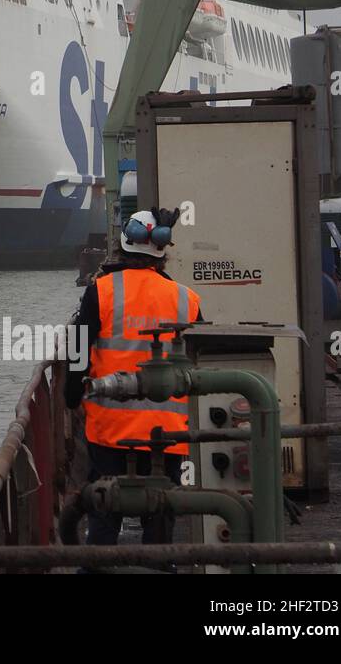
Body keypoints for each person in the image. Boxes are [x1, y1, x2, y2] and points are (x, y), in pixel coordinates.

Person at [65, 207, 202, 545]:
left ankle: (99, 569)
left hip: (111, 430)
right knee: (159, 519)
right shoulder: (188, 299)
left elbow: (79, 350)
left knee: (104, 513)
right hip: (168, 433)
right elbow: (199, 365)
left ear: (123, 246)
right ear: (163, 252)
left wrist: (71, 395)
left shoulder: (102, 291)